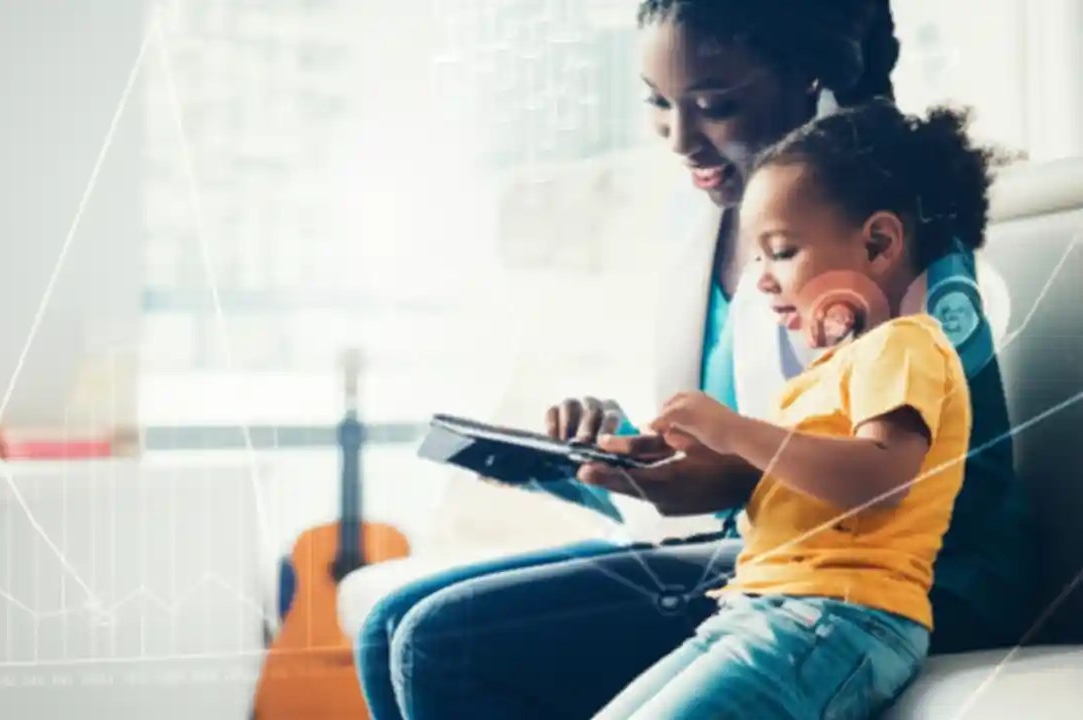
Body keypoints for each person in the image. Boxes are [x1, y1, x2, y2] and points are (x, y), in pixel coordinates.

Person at [354, 2, 1034, 717]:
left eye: (714, 105)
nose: (680, 139)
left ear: (806, 78)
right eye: (657, 103)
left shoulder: (885, 257)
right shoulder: (718, 230)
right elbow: (743, 458)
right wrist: (615, 456)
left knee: (441, 642)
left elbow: (901, 473)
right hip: (761, 551)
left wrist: (731, 458)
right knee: (389, 627)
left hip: (900, 582)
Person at [592, 100, 991, 719]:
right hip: (767, 608)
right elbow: (796, 485)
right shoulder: (826, 374)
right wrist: (693, 457)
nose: (762, 279)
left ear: (879, 243)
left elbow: (881, 479)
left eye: (780, 251)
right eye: (757, 257)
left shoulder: (904, 344)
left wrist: (735, 430)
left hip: (840, 619)